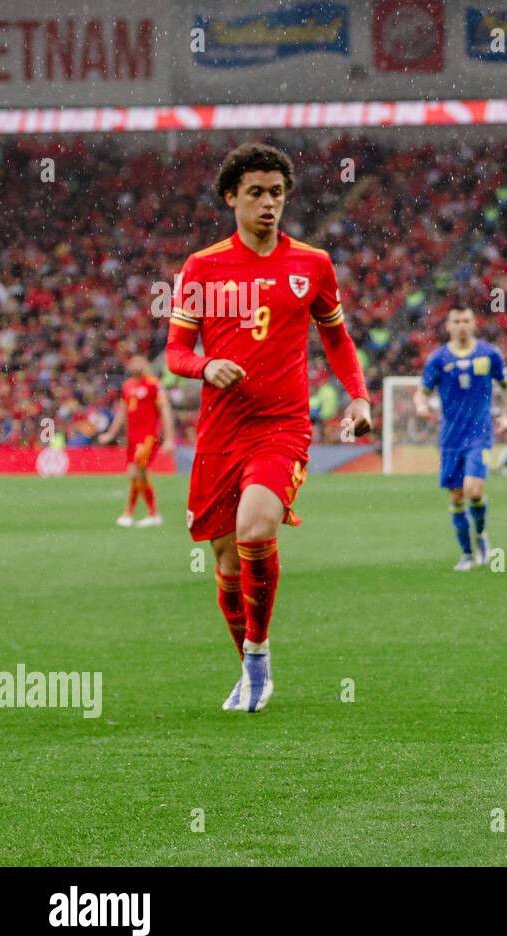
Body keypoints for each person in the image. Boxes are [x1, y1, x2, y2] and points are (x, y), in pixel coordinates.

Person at [166, 142, 372, 713]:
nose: (268, 203)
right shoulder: (203, 268)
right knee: (227, 561)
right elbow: (176, 353)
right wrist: (206, 365)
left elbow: (336, 336)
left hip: (281, 427)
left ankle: (257, 655)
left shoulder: (313, 264)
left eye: (277, 193)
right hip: (219, 433)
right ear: (231, 197)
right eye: (255, 192)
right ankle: (250, 664)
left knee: (257, 527)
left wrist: (357, 396)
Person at [415, 306, 507, 570]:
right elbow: (421, 391)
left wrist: (505, 415)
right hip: (450, 438)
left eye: (466, 320)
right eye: (456, 320)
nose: (461, 325)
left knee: (474, 489)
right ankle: (467, 554)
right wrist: (421, 405)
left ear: (474, 323)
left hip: (479, 434)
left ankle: (480, 534)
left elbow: (506, 388)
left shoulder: (489, 354)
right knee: (456, 497)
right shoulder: (438, 359)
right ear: (448, 325)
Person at [98, 354, 176, 527]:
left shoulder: (154, 384)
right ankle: (149, 515)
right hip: (132, 438)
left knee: (136, 472)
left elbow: (165, 411)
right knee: (137, 474)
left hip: (147, 437)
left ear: (146, 364)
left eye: (139, 361)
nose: (135, 364)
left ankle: (133, 513)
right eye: (133, 361)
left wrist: (169, 438)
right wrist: (111, 434)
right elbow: (122, 412)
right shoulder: (127, 386)